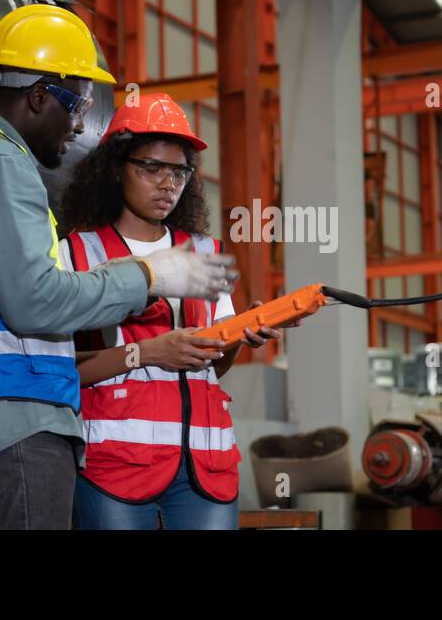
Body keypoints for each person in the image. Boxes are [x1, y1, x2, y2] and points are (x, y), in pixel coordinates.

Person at [0, 6, 238, 530]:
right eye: (77, 102)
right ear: (38, 95)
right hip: (4, 417)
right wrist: (149, 276)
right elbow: (35, 299)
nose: (80, 123)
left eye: (179, 171)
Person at [59, 93, 294, 530]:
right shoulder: (77, 254)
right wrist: (148, 353)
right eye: (151, 167)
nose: (168, 183)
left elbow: (213, 369)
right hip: (114, 466)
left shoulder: (206, 253)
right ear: (115, 168)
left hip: (205, 469)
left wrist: (239, 336)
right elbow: (59, 371)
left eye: (179, 171)